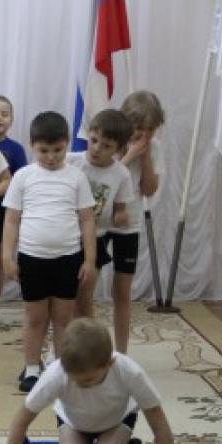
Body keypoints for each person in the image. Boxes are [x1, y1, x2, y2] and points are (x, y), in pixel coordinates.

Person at [0, 317, 188, 444]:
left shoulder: (128, 371)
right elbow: (22, 418)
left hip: (116, 421)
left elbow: (157, 418)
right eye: (74, 379)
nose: (81, 385)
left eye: (88, 380)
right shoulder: (57, 373)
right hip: (74, 423)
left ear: (110, 363)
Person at [1, 112, 96, 392]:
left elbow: (87, 219)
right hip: (32, 258)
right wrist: (7, 256)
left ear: (67, 144)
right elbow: (11, 219)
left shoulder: (76, 177)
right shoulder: (23, 177)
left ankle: (60, 367)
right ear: (32, 145)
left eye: (58, 150)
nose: (52, 157)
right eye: (44, 151)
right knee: (35, 316)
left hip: (68, 259)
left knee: (64, 318)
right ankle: (32, 368)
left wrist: (89, 259)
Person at [113, 91, 166, 353]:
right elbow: (103, 182)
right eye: (138, 128)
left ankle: (120, 353)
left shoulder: (153, 148)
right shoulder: (107, 141)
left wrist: (144, 156)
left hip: (129, 224)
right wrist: (129, 155)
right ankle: (84, 345)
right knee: (85, 285)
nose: (143, 135)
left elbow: (149, 189)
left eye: (150, 130)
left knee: (123, 291)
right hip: (99, 224)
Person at [69, 109, 134, 320]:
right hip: (65, 237)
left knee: (84, 295)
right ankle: (61, 344)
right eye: (94, 140)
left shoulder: (121, 174)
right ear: (88, 134)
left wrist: (120, 218)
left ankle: (86, 342)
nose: (97, 149)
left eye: (106, 146)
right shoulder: (70, 161)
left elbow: (120, 210)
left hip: (95, 239)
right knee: (63, 296)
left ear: (119, 149)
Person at [0, 95, 29, 325]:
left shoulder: (16, 149)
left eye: (4, 114)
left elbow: (22, 181)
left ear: (11, 119)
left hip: (5, 212)